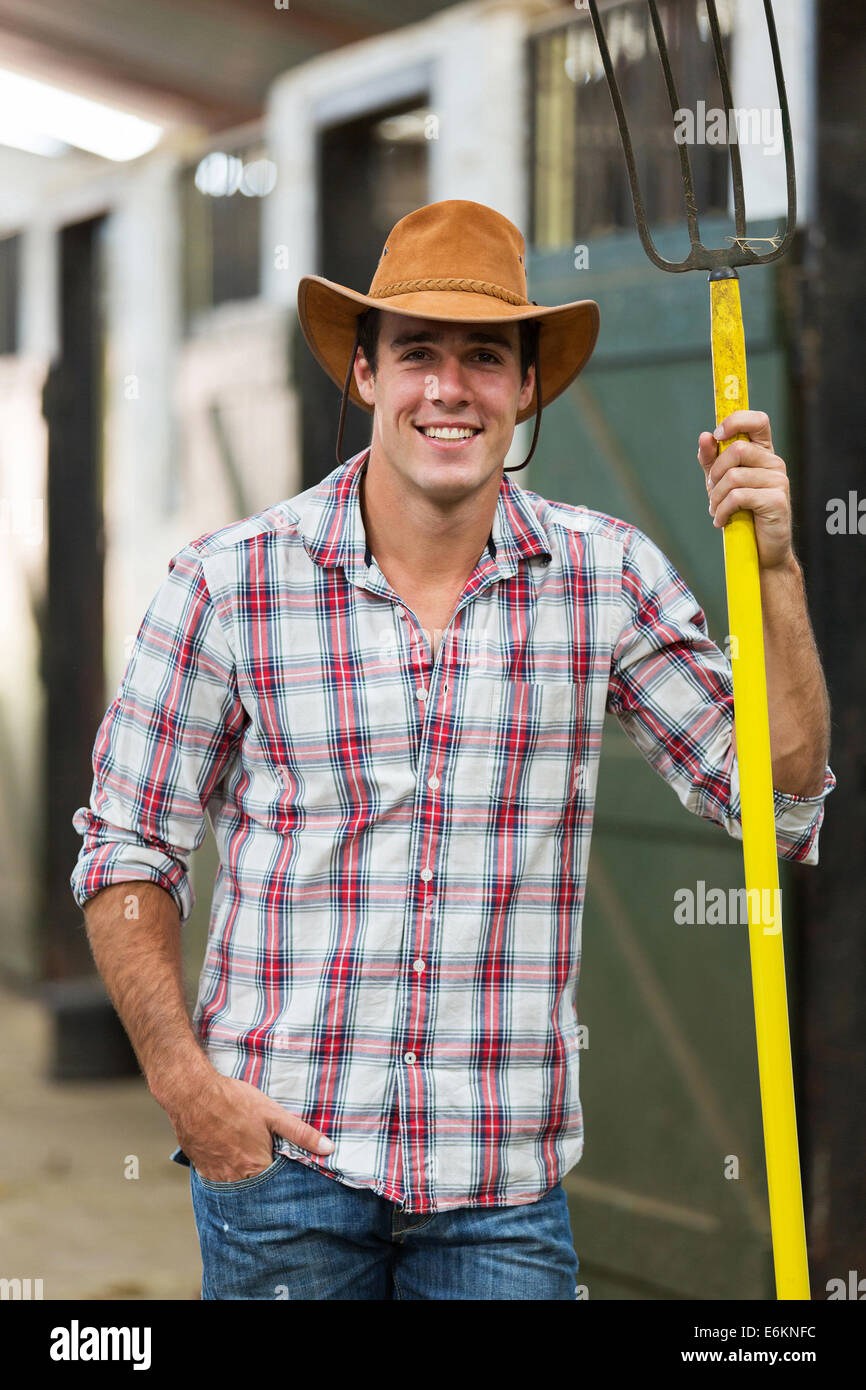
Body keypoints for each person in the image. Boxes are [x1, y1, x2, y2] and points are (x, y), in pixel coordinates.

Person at [70, 199, 835, 1300]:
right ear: (365, 374)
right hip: (278, 1166)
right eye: (416, 353)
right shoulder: (226, 583)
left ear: (526, 386)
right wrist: (187, 1088)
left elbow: (773, 795)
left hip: (499, 1191)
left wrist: (773, 570)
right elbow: (126, 847)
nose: (448, 387)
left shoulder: (602, 575)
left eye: (483, 356)